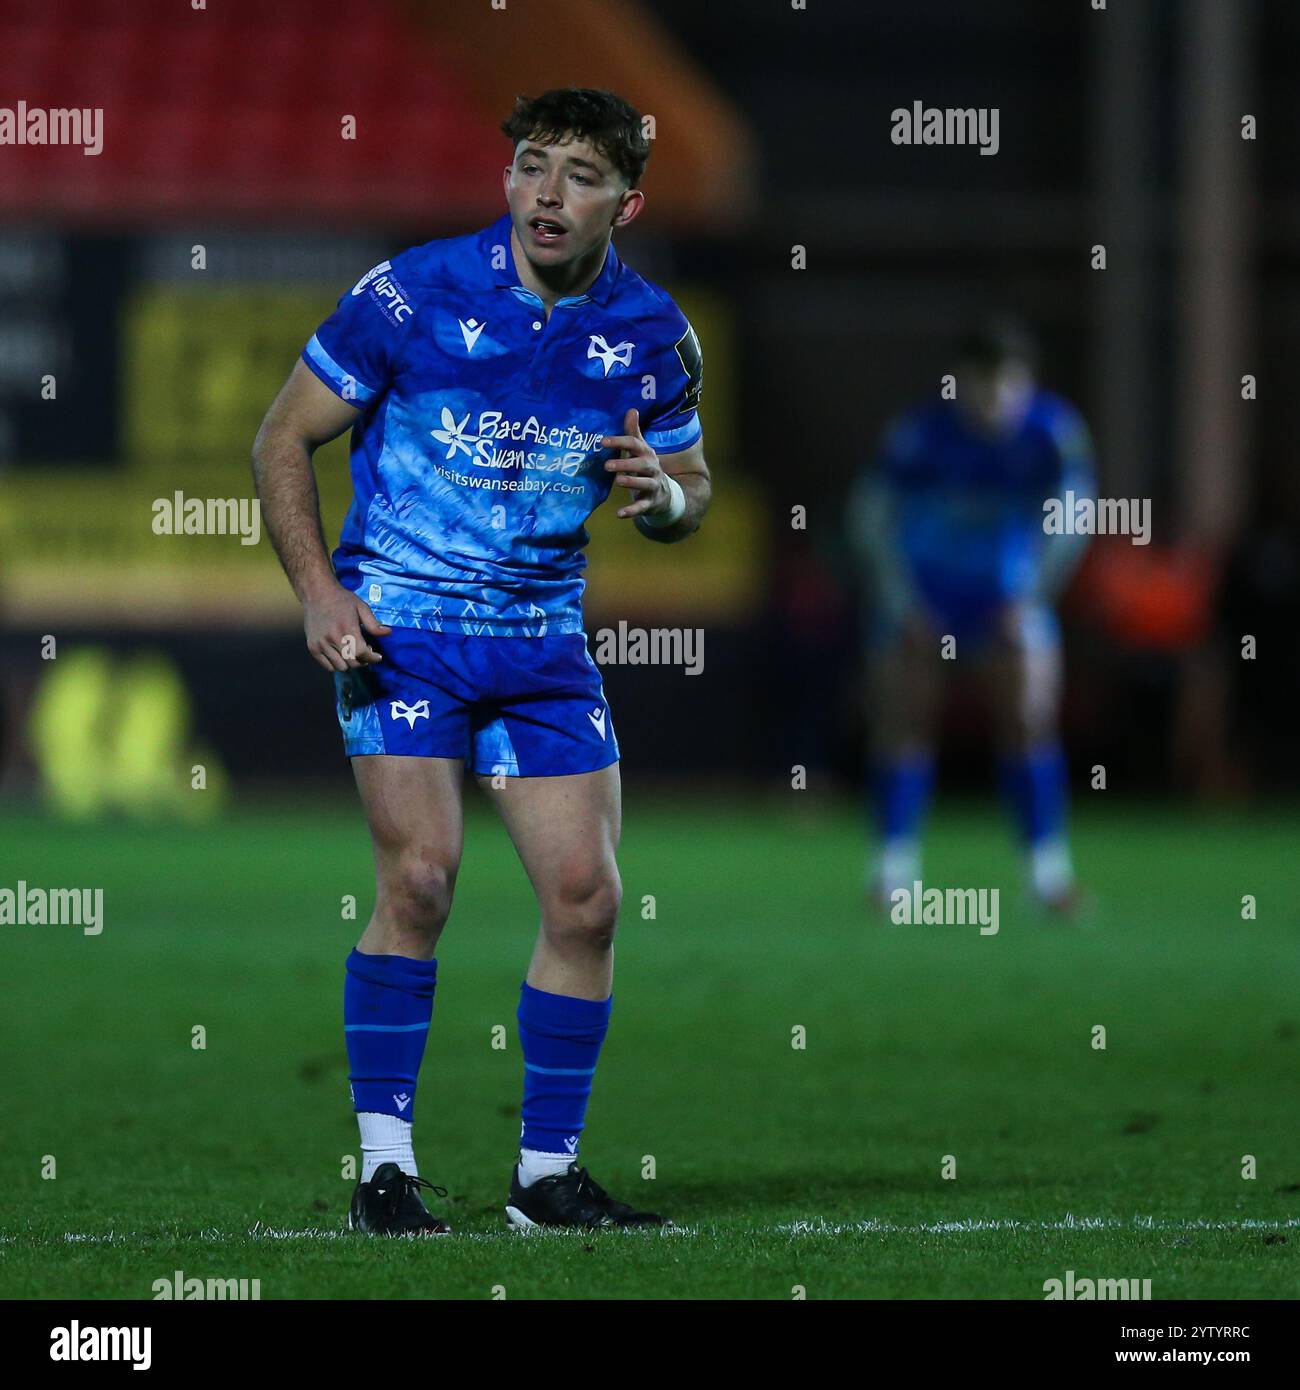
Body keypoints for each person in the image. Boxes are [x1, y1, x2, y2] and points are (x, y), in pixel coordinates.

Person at [251, 88, 710, 1233]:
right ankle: (385, 1172)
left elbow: (686, 489)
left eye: (579, 176)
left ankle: (544, 1178)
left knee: (588, 898)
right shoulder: (412, 291)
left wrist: (664, 504)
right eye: (531, 165)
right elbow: (281, 436)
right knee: (419, 881)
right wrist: (318, 591)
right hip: (404, 636)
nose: (546, 194)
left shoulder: (654, 333)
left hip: (544, 645)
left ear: (628, 202)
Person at [850, 317, 1093, 912]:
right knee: (904, 721)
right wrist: (901, 604)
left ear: (1026, 384)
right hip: (924, 599)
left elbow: (1073, 522)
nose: (993, 398)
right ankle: (893, 875)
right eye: (981, 383)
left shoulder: (1051, 435)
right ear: (958, 382)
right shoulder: (919, 437)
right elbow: (869, 520)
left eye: (1005, 383)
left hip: (1007, 599)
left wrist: (1030, 599)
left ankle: (1047, 877)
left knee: (1029, 717)